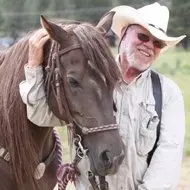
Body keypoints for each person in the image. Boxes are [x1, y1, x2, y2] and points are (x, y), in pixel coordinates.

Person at [19, 2, 186, 190]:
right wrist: (33, 66)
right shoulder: (88, 81)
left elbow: (167, 159)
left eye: (157, 43)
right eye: (142, 36)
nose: (149, 46)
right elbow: (41, 116)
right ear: (123, 34)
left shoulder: (168, 93)